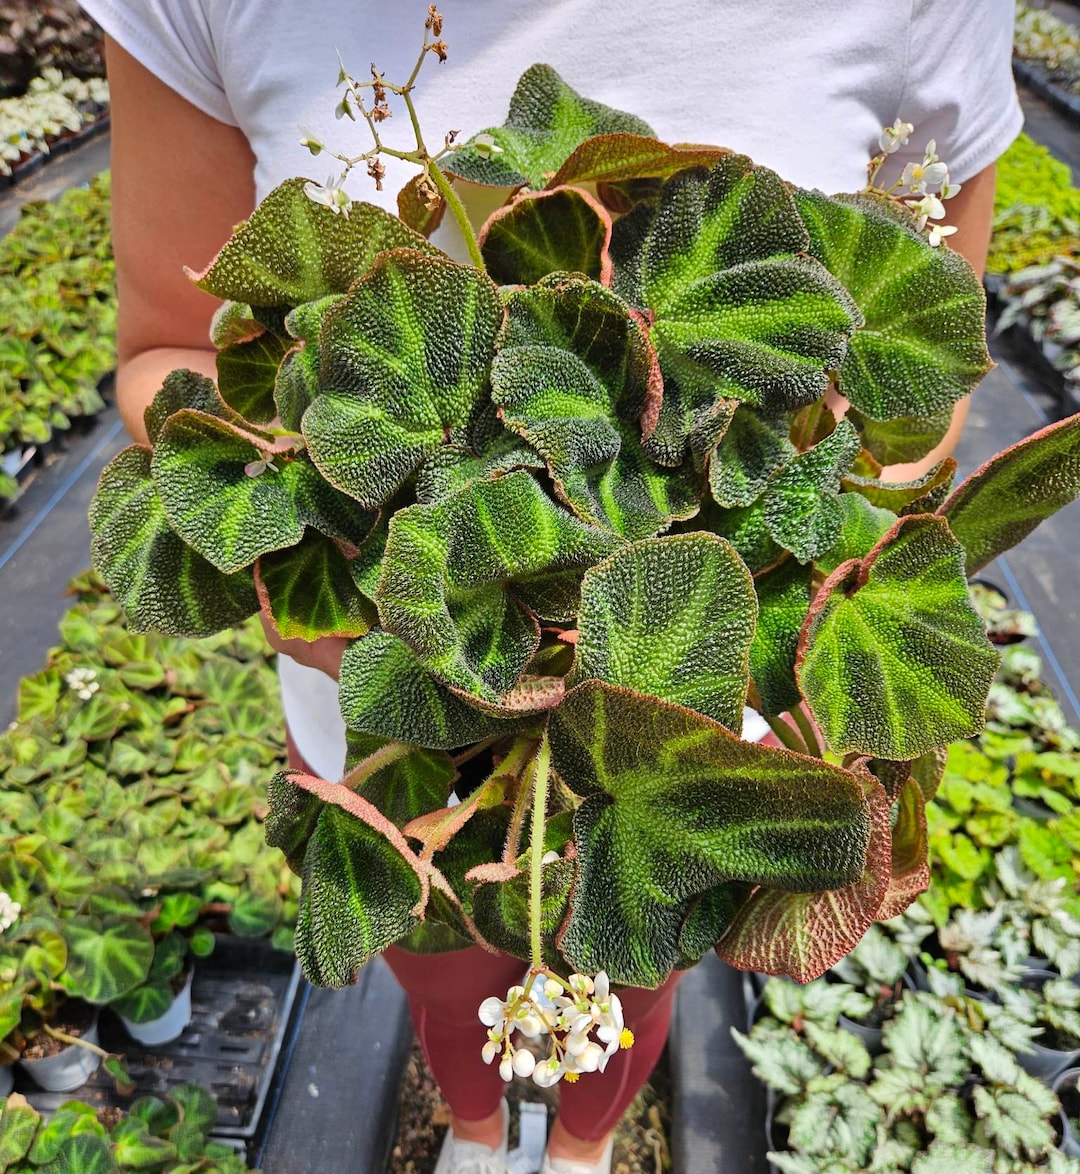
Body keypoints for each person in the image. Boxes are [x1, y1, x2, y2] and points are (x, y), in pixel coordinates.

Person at [80, 2, 1022, 1170]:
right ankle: (478, 1133)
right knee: (435, 943)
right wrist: (370, 587)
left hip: (681, 711)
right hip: (388, 722)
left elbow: (918, 407)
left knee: (634, 950)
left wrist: (805, 538)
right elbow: (165, 361)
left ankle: (585, 1142)